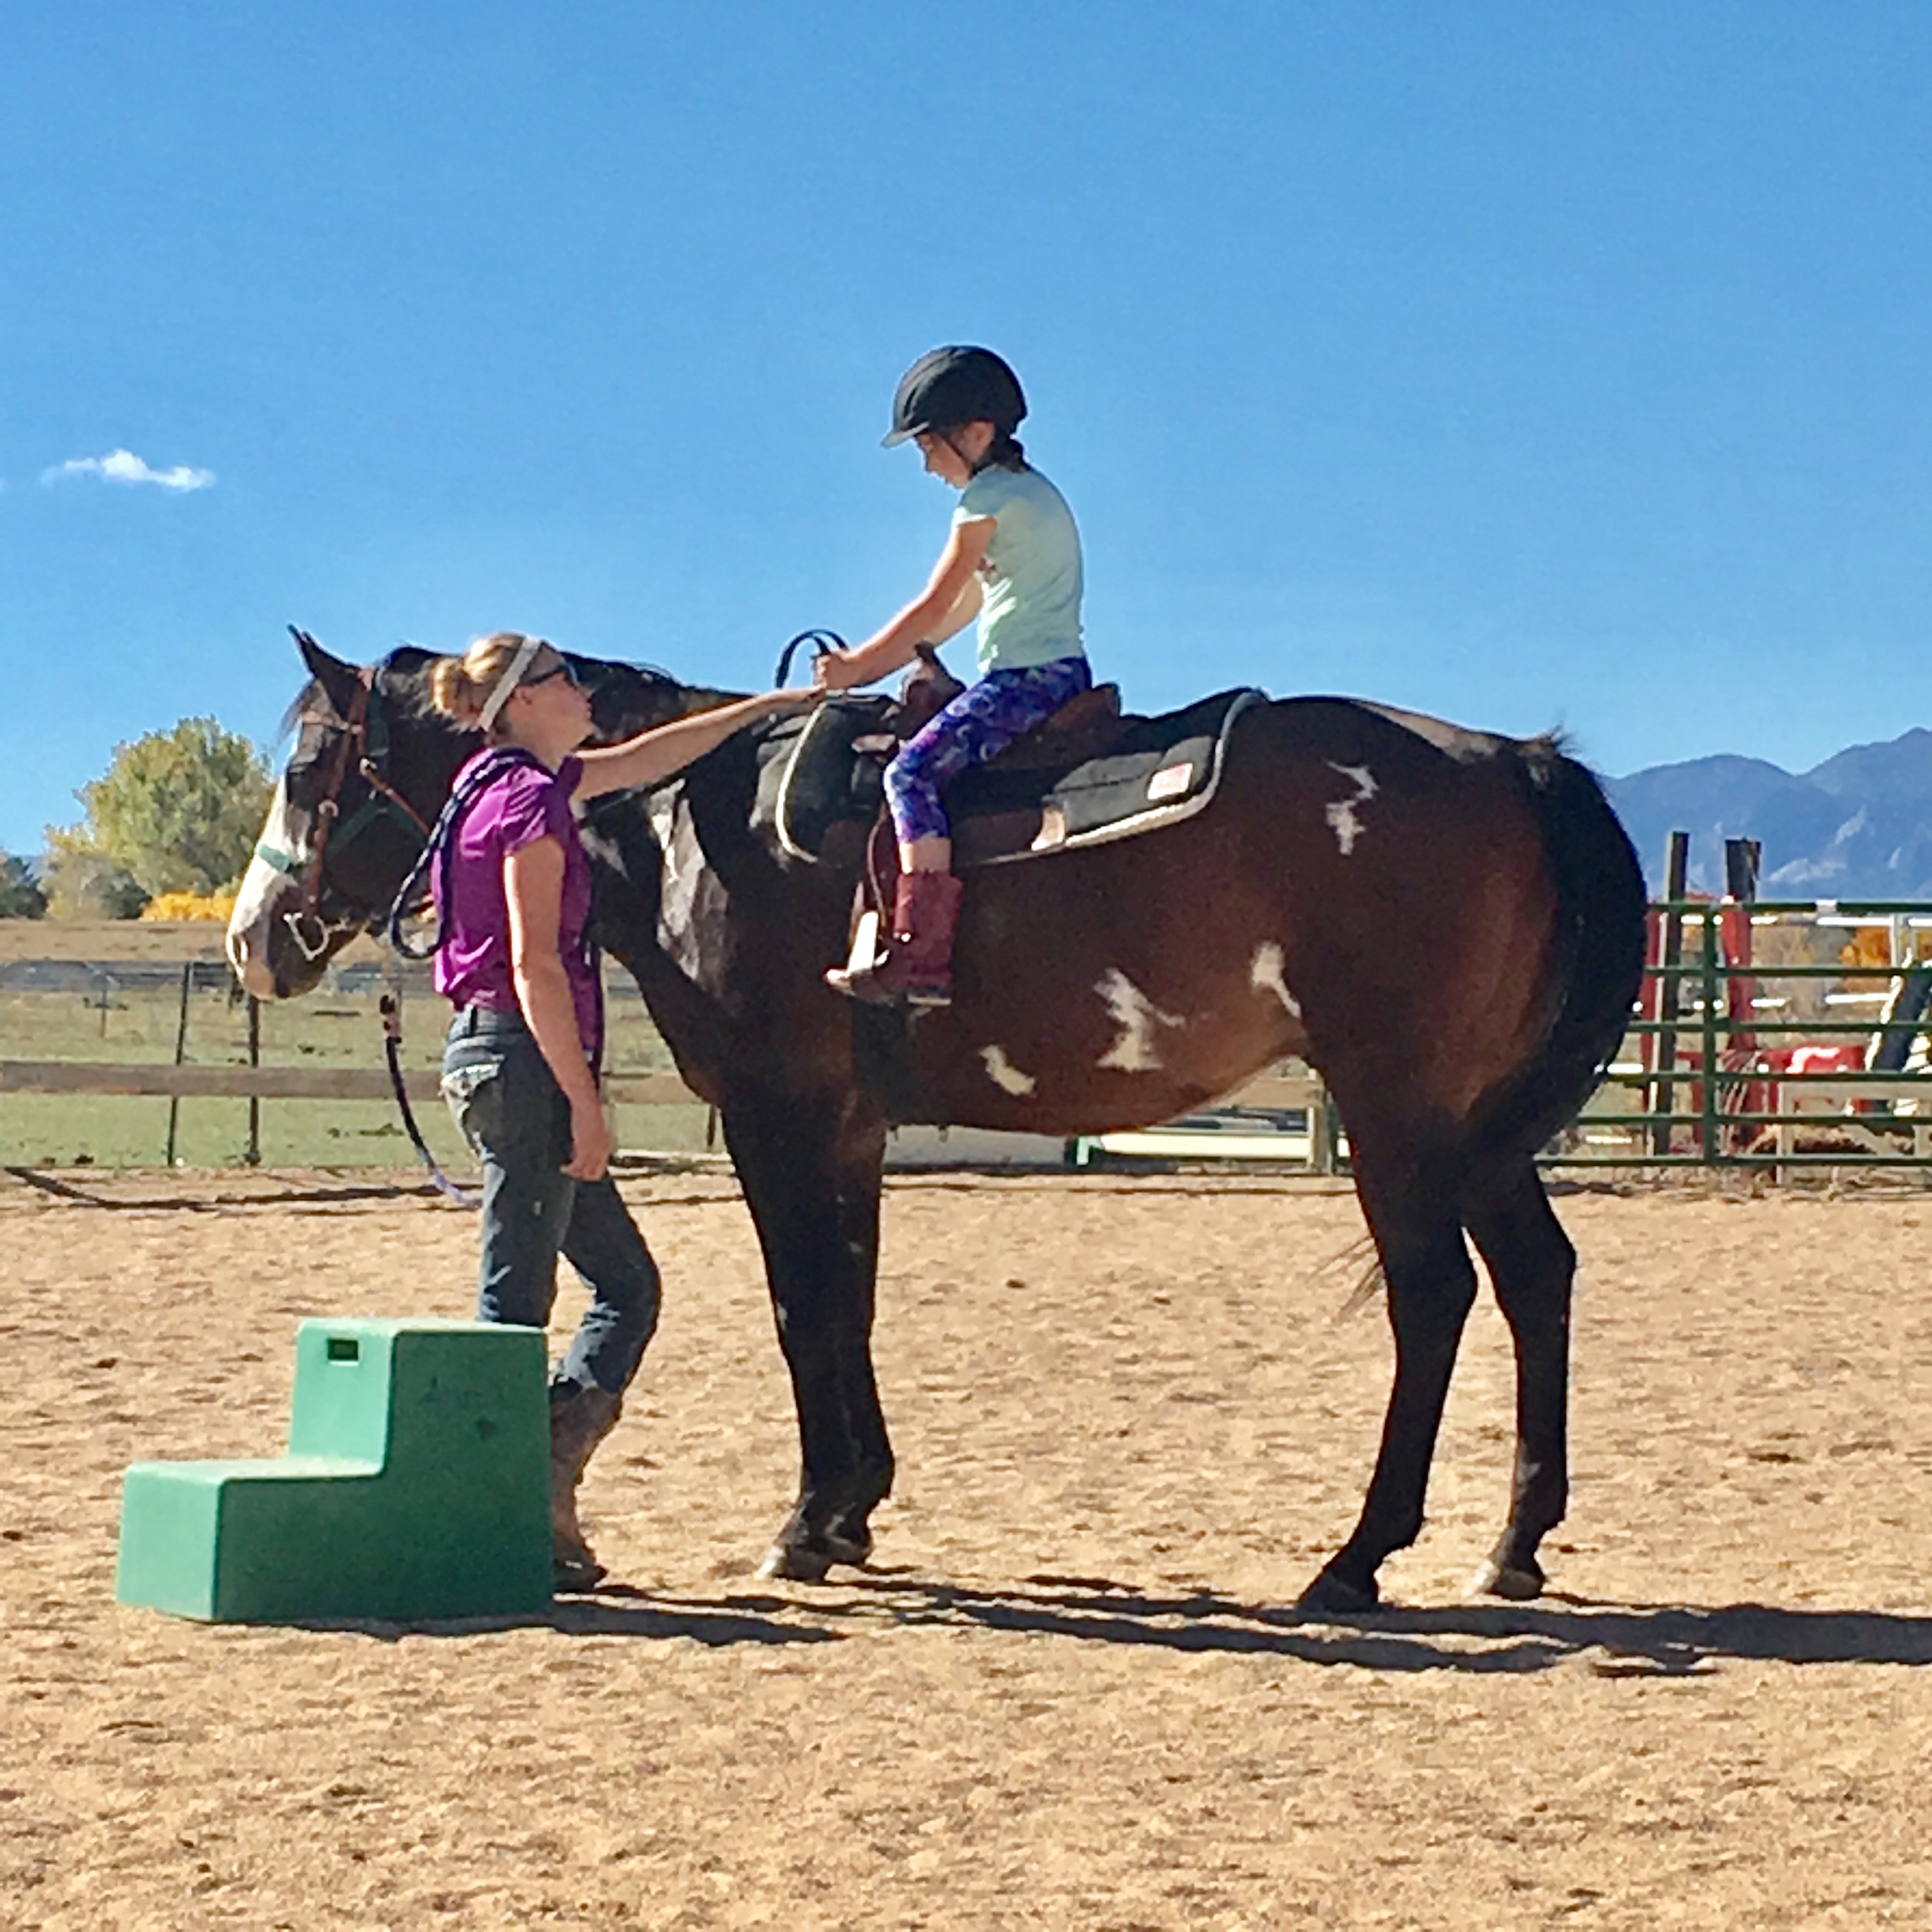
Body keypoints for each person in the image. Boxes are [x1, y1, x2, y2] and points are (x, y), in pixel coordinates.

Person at [425, 631, 813, 1589]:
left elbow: (648, 758)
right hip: (527, 1062)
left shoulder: (501, 785)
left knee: (623, 1285)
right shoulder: (527, 806)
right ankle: (498, 1518)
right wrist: (583, 1101)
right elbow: (534, 965)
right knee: (517, 1302)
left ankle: (539, 1488)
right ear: (518, 704)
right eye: (560, 680)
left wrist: (767, 713)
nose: (579, 688)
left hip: (499, 1060)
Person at [815, 345, 1090, 1006]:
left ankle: (921, 952)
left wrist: (856, 667)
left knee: (908, 774)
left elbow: (935, 603)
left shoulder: (988, 500)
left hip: (1025, 678)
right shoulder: (1029, 496)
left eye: (930, 446)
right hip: (1055, 672)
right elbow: (961, 612)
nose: (927, 464)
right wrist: (890, 659)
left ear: (976, 432)